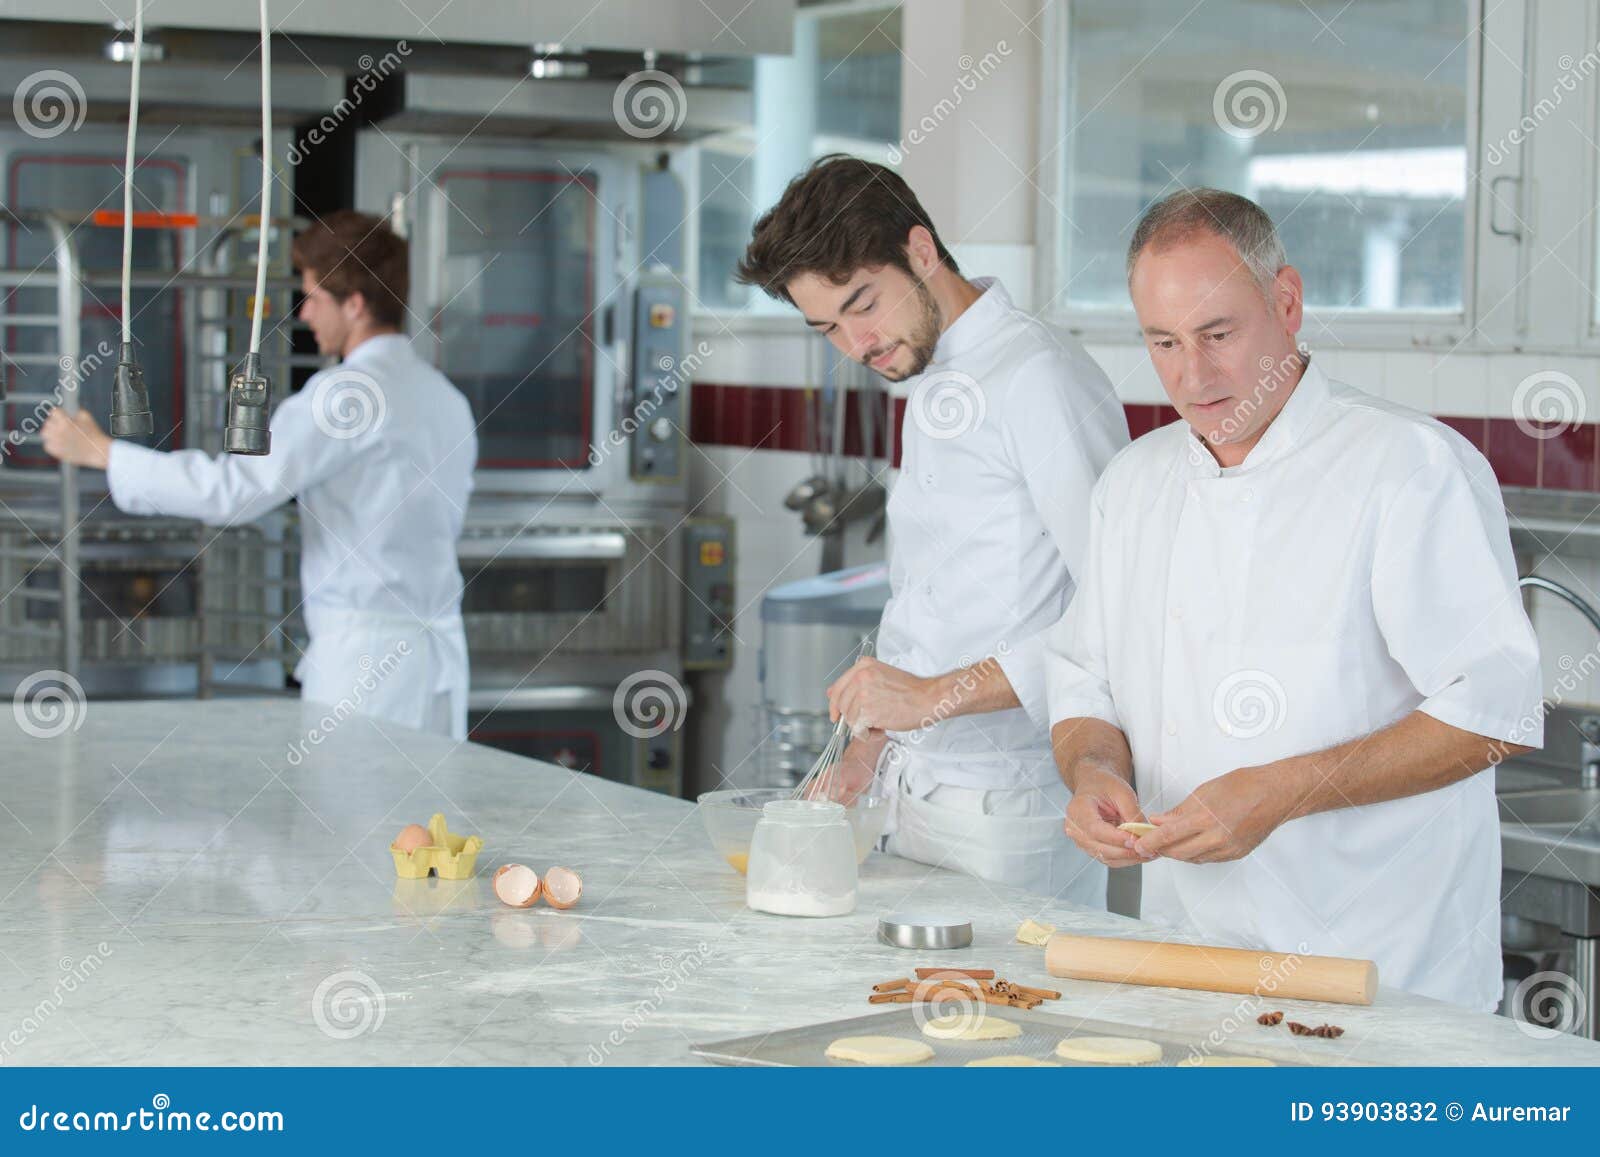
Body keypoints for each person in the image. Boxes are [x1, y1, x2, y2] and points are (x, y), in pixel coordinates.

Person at [1046, 187, 1541, 1008]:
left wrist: (1282, 792)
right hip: (1192, 964)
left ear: (1287, 301)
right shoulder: (1134, 484)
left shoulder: (1407, 467)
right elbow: (1082, 681)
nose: (1192, 374)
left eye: (1217, 334)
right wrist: (1093, 770)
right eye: (1162, 342)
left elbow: (1495, 711)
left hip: (1384, 975)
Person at [738, 156, 1128, 903]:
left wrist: (932, 696)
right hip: (912, 795)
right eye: (829, 327)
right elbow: (933, 602)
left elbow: (1117, 616)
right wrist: (870, 745)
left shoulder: (1038, 377)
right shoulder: (928, 378)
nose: (856, 343)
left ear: (920, 250)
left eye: (863, 304)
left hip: (1008, 810)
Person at [42, 210, 478, 738]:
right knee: (423, 821)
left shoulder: (344, 396)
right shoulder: (446, 399)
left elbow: (235, 490)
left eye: (314, 296)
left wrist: (106, 453)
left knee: (350, 818)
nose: (305, 311)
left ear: (356, 304)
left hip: (367, 670)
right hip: (439, 671)